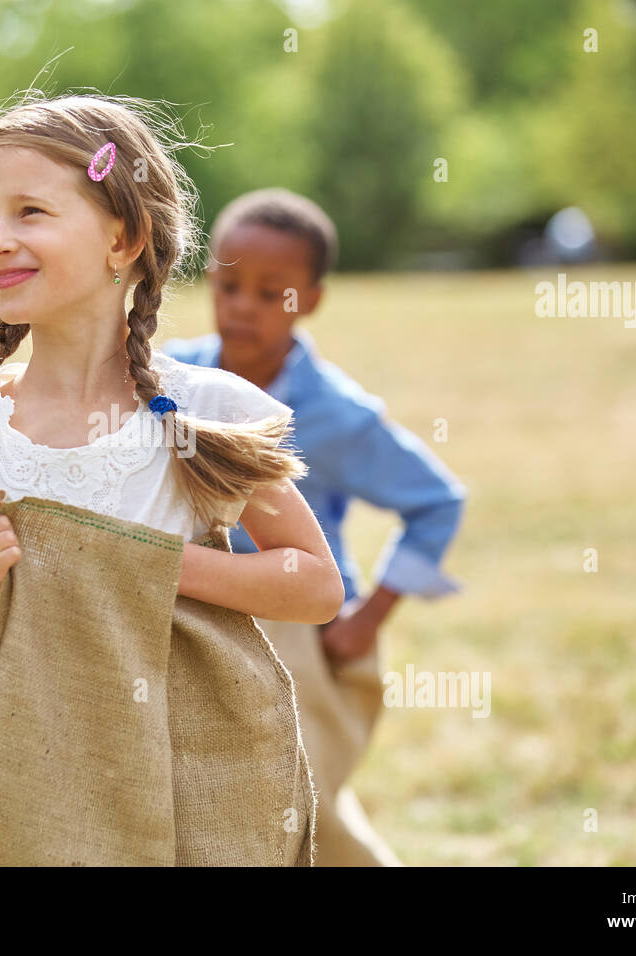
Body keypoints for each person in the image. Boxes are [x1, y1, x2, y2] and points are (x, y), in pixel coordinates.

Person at [0, 93, 344, 866]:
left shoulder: (201, 412)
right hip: (45, 792)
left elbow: (316, 585)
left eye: (30, 212)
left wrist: (143, 560)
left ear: (123, 238)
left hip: (204, 773)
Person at [163, 188, 466, 866]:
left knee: (302, 811)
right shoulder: (167, 380)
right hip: (188, 618)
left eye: (272, 294)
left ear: (313, 300)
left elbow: (437, 502)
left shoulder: (335, 413)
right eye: (230, 284)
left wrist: (366, 621)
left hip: (299, 632)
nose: (244, 305)